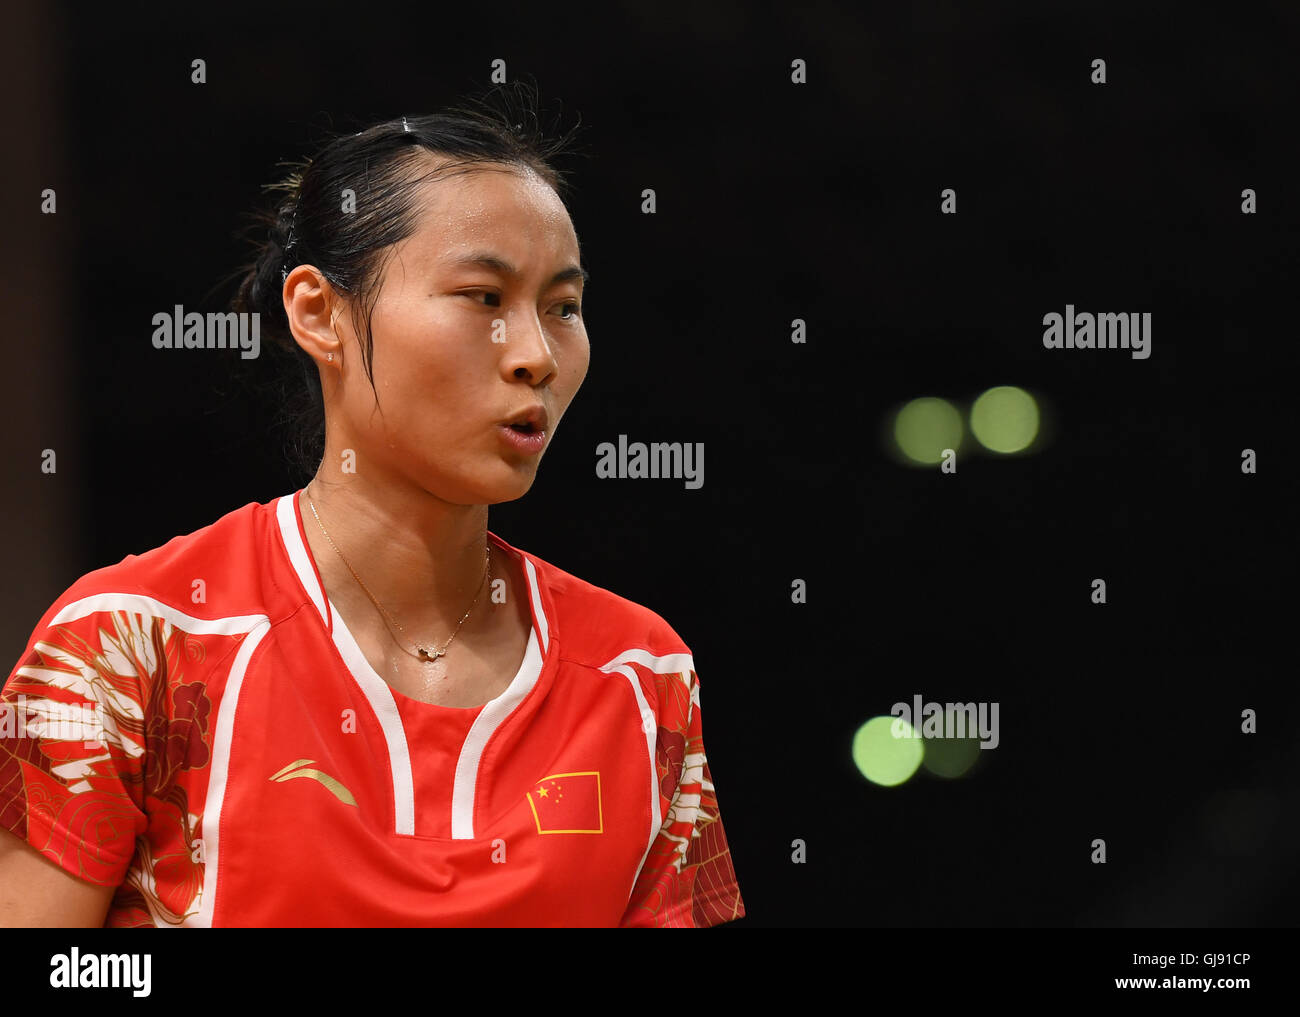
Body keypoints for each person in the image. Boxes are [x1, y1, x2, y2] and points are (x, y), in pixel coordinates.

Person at [0, 95, 745, 927]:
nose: (536, 354)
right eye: (483, 298)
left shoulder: (641, 676)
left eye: (562, 307)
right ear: (319, 312)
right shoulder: (128, 644)